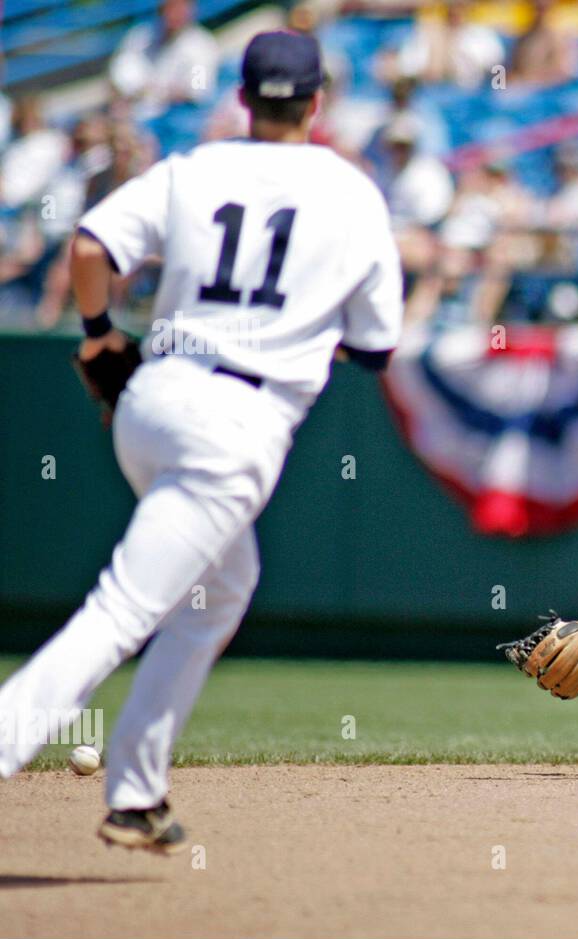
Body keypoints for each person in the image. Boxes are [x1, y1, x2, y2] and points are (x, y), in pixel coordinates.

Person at [0, 31, 403, 851]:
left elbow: (88, 247)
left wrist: (96, 334)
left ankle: (138, 792)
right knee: (120, 609)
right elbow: (376, 347)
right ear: (318, 101)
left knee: (222, 587)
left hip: (151, 400)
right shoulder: (352, 191)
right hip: (234, 429)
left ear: (245, 98)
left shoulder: (195, 166)